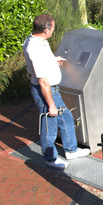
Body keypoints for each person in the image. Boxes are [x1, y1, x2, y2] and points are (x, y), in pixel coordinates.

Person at [23, 14, 90, 169]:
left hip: (52, 90)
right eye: (53, 28)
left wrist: (53, 61)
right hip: (46, 91)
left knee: (65, 117)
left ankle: (71, 150)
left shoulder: (37, 40)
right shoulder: (35, 49)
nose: (54, 30)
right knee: (49, 125)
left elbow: (42, 64)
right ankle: (50, 158)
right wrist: (51, 105)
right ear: (46, 30)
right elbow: (42, 81)